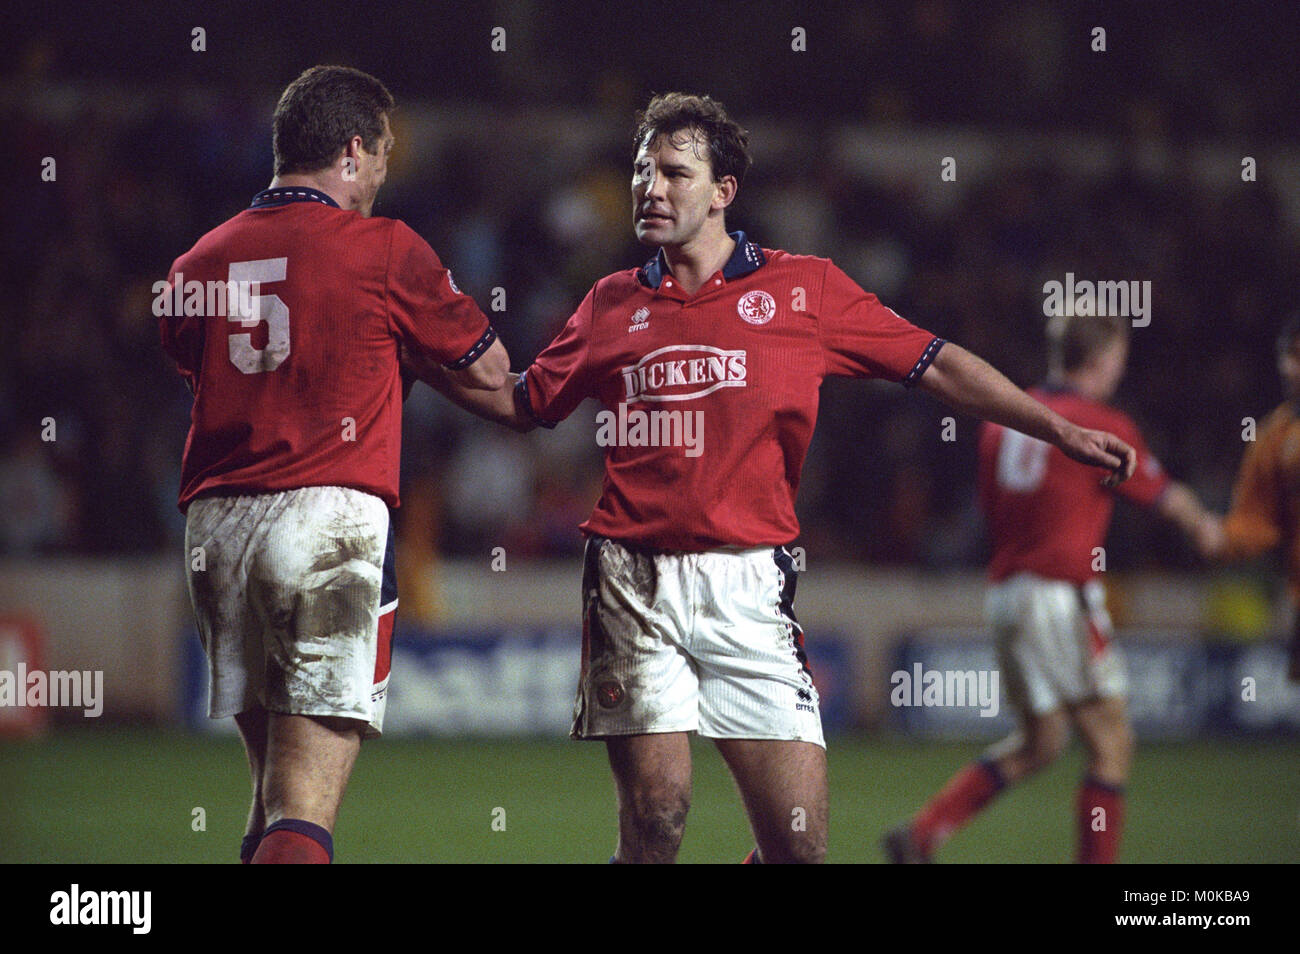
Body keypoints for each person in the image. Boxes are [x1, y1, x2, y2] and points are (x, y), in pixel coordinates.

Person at [411, 92, 1136, 864]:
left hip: (750, 587)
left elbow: (936, 364)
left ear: (724, 191)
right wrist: (415, 350)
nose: (649, 188)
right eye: (640, 171)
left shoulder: (806, 291)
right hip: (630, 579)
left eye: (673, 173)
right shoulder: (610, 302)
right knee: (656, 823)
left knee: (800, 847)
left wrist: (1056, 425)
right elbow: (525, 400)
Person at [158, 65, 508, 864]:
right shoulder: (384, 248)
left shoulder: (194, 266)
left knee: (270, 794)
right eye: (382, 153)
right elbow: (491, 375)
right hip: (326, 520)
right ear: (353, 151)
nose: (384, 171)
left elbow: (206, 369)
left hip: (215, 532)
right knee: (307, 805)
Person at [884, 313, 1218, 864]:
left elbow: (989, 511)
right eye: (1119, 360)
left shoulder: (1003, 419)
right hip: (1060, 596)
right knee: (1112, 745)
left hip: (1008, 595)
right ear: (1104, 358)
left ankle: (923, 832)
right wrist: (1205, 526)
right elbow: (1160, 495)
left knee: (1042, 743)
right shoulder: (1100, 423)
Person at [1199, 314, 1300, 682]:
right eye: (1287, 356)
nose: (1291, 368)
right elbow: (1258, 521)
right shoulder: (1275, 436)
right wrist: (1223, 537)